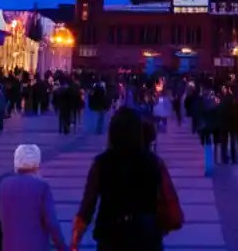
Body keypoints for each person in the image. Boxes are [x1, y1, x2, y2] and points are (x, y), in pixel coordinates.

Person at [72, 108, 183, 251]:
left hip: (111, 236)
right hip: (146, 235)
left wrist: (76, 239)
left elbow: (88, 205)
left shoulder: (102, 163)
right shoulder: (153, 162)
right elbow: (167, 195)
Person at [0, 144, 68, 251]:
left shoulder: (4, 185)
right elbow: (52, 224)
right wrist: (63, 248)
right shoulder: (42, 187)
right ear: (37, 163)